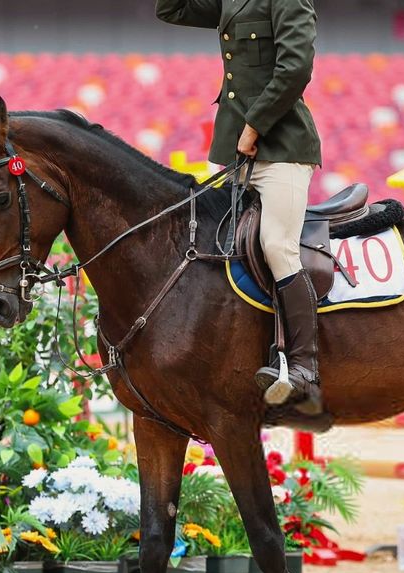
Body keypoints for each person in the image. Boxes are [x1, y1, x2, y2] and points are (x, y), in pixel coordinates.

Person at [156, 0, 323, 414]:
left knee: (275, 244)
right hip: (240, 153)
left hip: (281, 148)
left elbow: (296, 66)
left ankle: (303, 365)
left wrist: (255, 125)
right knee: (222, 245)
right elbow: (172, 10)